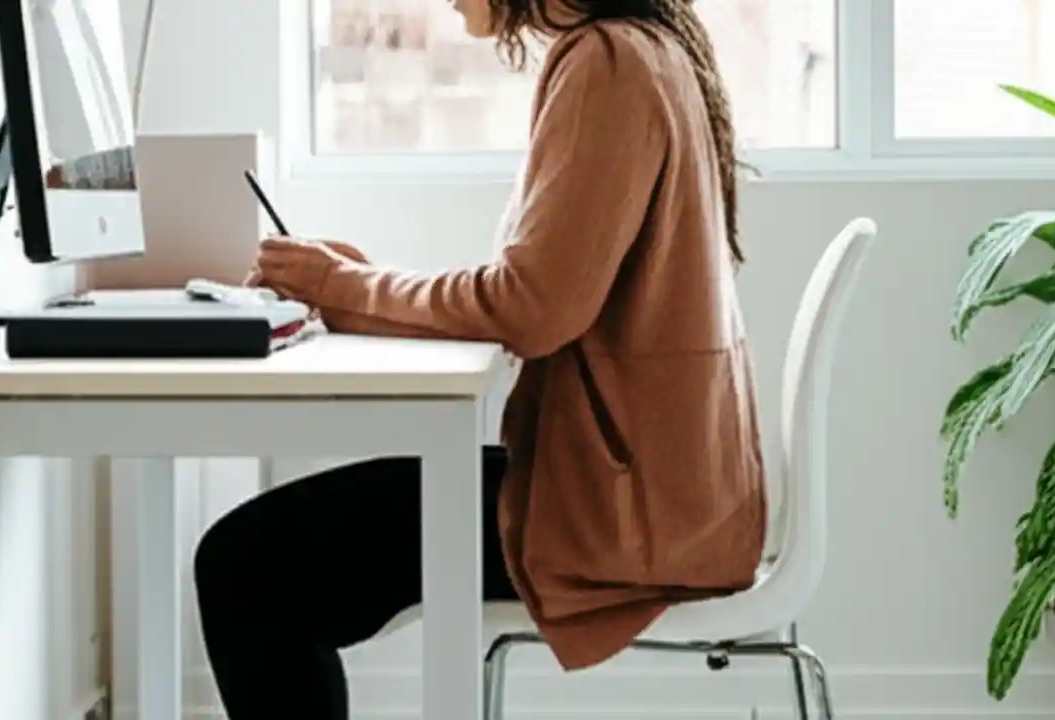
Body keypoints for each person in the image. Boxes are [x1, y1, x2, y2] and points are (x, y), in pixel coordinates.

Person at [194, 1, 767, 717]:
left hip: (622, 513)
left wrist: (347, 288)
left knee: (247, 567)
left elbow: (532, 309)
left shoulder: (609, 63)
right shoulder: (644, 49)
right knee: (266, 564)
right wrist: (353, 290)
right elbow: (534, 295)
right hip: (656, 497)